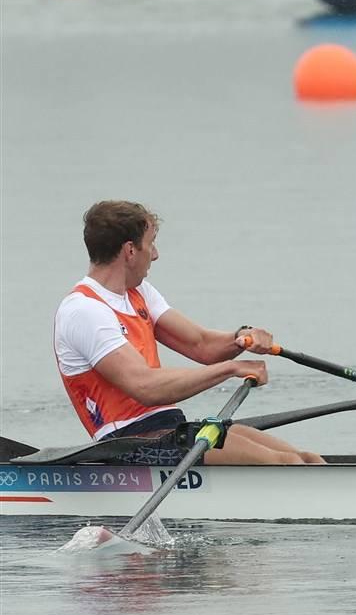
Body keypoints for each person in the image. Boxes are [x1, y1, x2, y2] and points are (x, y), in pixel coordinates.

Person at [53, 200, 321, 466]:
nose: (155, 255)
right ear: (130, 250)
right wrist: (231, 369)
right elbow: (144, 386)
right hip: (127, 444)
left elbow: (201, 345)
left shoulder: (138, 292)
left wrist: (242, 337)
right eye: (151, 244)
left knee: (306, 459)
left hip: (170, 430)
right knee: (287, 464)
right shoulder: (84, 310)